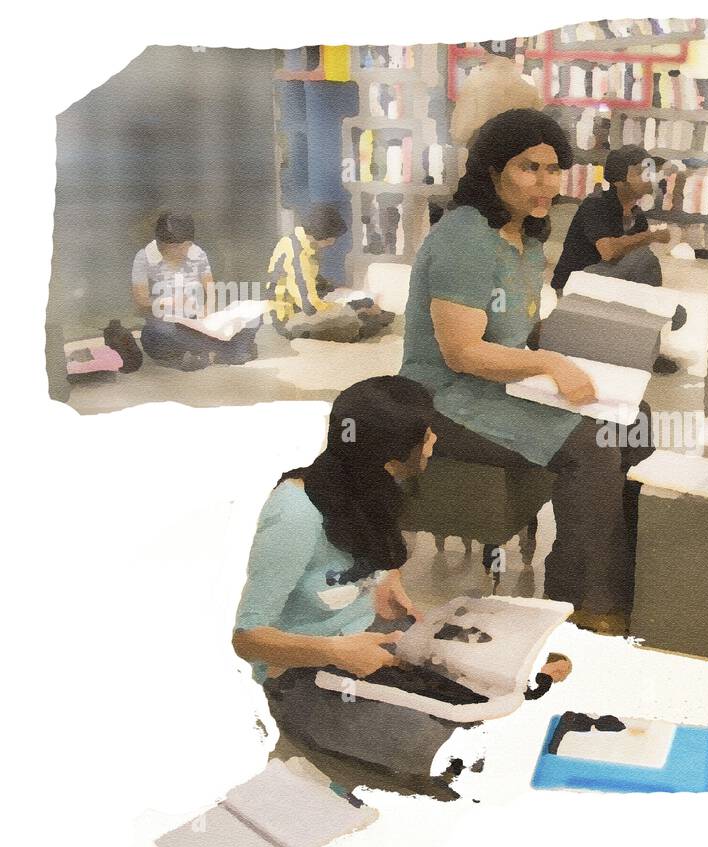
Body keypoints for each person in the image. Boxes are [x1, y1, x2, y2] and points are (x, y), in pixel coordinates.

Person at [231, 376, 570, 789]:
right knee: (437, 746)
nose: (433, 440)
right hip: (302, 671)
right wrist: (336, 651)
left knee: (491, 673)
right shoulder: (294, 515)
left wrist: (388, 589)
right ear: (391, 454)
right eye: (424, 434)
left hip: (372, 639)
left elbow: (372, 555)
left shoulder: (372, 484)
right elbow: (247, 639)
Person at [401, 108, 652, 635]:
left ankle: (595, 569)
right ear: (492, 172)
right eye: (528, 168)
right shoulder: (465, 238)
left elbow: (516, 331)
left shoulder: (527, 237)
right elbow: (462, 353)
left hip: (500, 384)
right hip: (445, 399)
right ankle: (584, 597)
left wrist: (596, 347)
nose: (546, 183)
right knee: (593, 441)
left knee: (639, 417)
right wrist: (550, 362)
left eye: (554, 169)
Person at [551, 144, 686, 374]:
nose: (649, 176)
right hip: (577, 285)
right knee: (644, 259)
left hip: (607, 283)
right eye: (641, 170)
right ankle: (643, 345)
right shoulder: (596, 205)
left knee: (669, 307)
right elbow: (608, 251)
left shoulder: (637, 217)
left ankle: (640, 345)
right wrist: (651, 236)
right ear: (618, 179)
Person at [131, 212, 257, 370]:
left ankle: (206, 353)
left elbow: (210, 290)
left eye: (184, 246)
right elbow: (140, 298)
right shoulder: (145, 257)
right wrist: (170, 302)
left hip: (195, 318)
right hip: (166, 319)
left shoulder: (197, 254)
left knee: (251, 316)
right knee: (160, 333)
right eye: (173, 247)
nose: (179, 251)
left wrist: (207, 309)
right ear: (160, 243)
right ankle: (228, 351)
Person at [266, 204, 394, 342]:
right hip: (289, 319)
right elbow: (309, 306)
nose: (333, 242)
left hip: (297, 308)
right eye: (334, 238)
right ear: (326, 236)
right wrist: (346, 308)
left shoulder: (295, 242)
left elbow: (311, 280)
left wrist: (335, 290)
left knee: (361, 304)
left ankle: (367, 314)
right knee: (355, 323)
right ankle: (366, 317)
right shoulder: (298, 254)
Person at [450, 39, 544, 147]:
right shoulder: (530, 90)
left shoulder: (472, 85)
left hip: (481, 155)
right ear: (512, 54)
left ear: (485, 52)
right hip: (516, 157)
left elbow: (460, 133)